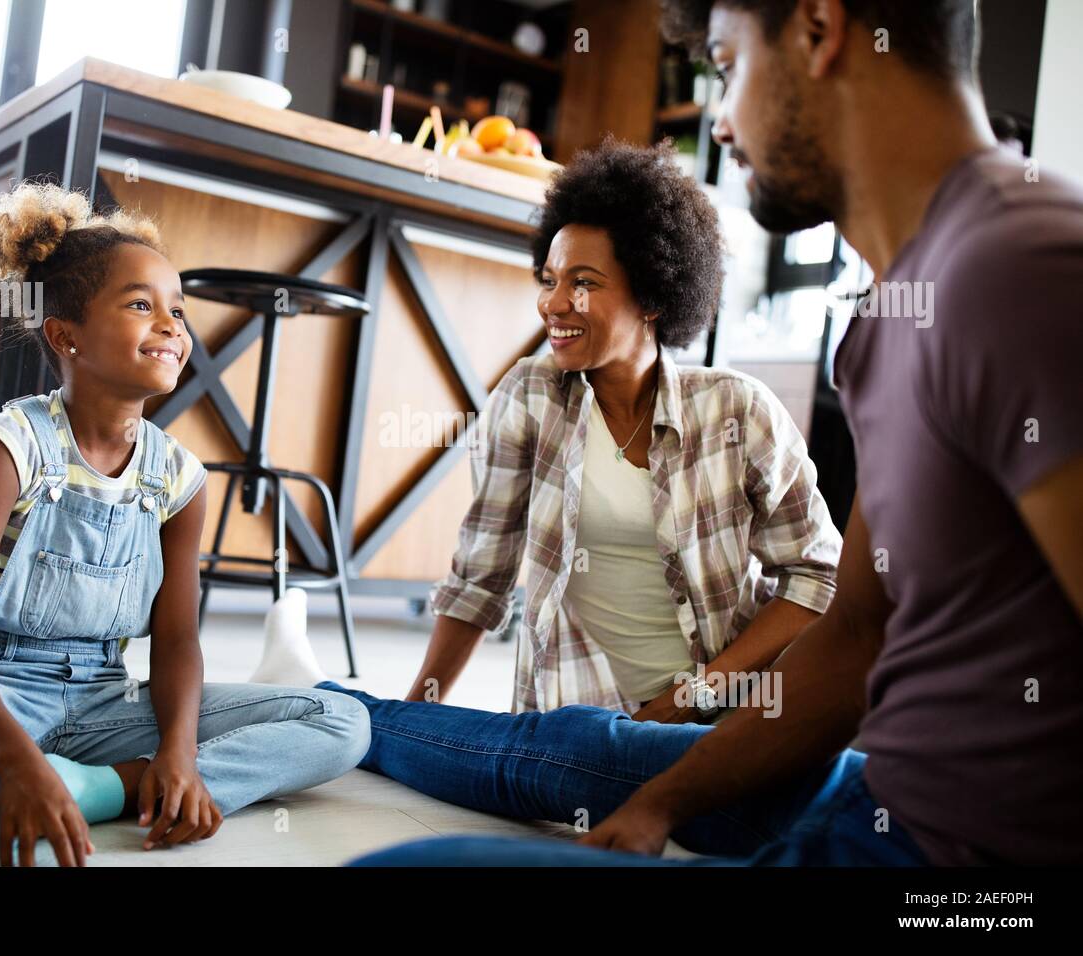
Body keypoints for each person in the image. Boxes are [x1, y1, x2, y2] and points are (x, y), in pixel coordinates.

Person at [349, 0, 1083, 866]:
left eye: (728, 66)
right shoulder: (891, 319)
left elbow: (818, 598)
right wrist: (660, 806)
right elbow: (853, 636)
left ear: (819, 28)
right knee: (566, 748)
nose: (723, 124)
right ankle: (320, 710)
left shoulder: (1021, 266)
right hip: (868, 794)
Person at [257, 138, 843, 836]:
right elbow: (482, 579)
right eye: (549, 276)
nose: (553, 303)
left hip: (721, 729)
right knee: (565, 751)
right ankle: (328, 702)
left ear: (653, 293)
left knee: (800, 785)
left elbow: (817, 577)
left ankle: (309, 694)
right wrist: (422, 715)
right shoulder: (531, 398)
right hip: (580, 727)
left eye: (584, 282)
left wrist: (697, 692)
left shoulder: (738, 412)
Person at [0, 182, 370, 867]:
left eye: (177, 311)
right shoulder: (11, 447)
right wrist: (18, 764)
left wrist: (178, 754)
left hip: (104, 703)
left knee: (341, 719)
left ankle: (104, 788)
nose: (172, 327)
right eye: (142, 305)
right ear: (66, 336)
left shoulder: (179, 478)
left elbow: (178, 639)